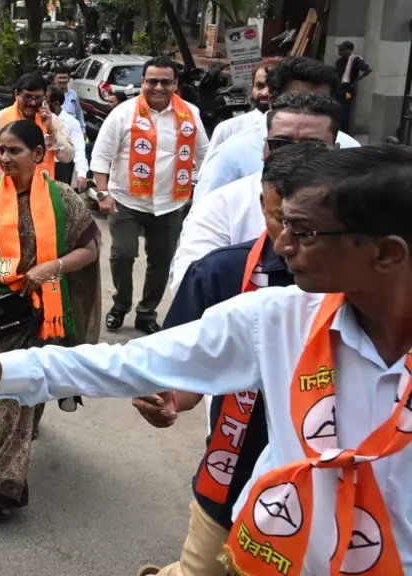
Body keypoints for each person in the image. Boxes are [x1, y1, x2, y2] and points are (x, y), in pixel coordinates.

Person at [0, 144, 412, 576]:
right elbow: (128, 364)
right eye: (283, 224)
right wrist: (5, 371)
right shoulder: (276, 321)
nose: (282, 245)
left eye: (303, 232)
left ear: (386, 253)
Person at [131, 142, 328, 576]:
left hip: (328, 487)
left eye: (311, 227)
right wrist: (168, 398)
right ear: (263, 202)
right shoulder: (223, 273)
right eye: (284, 220)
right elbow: (180, 369)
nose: (293, 241)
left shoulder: (357, 284)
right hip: (233, 467)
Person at [0, 120, 100, 517]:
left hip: (39, 314)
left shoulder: (63, 198)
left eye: (14, 150)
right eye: (1, 150)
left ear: (38, 156)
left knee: (18, 393)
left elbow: (89, 250)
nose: (4, 158)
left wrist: (50, 267)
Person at [168, 92, 343, 295]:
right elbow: (192, 286)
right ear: (264, 149)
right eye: (281, 144)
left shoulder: (358, 205)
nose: (295, 155)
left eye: (312, 146)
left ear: (336, 150)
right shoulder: (222, 205)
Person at [89, 57, 208, 334]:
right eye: (151, 81)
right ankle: (120, 305)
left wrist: (201, 191)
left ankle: (146, 313)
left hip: (170, 203)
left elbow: (205, 154)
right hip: (125, 200)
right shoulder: (123, 113)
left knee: (161, 261)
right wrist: (103, 194)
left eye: (165, 82)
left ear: (175, 84)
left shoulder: (190, 113)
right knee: (123, 254)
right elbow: (101, 155)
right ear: (142, 82)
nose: (158, 87)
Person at [194, 57, 357, 201]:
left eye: (320, 101)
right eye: (296, 100)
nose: (309, 108)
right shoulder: (233, 153)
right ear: (272, 101)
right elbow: (202, 217)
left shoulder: (352, 151)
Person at [0, 73, 76, 179]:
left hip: (42, 186)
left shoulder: (52, 120)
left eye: (37, 98)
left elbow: (67, 157)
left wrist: (51, 131)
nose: (32, 103)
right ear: (16, 94)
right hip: (6, 186)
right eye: (27, 97)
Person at [205, 61, 274, 155]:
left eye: (273, 87)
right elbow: (210, 168)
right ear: (252, 88)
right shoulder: (227, 130)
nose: (265, 93)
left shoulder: (298, 131)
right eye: (260, 86)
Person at [47, 85, 88, 189]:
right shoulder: (37, 118)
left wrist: (81, 174)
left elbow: (79, 149)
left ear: (55, 104)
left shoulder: (72, 123)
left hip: (62, 168)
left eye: (45, 102)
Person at [335, 40, 370, 132]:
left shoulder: (355, 60)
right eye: (339, 49)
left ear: (349, 50)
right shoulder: (340, 61)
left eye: (342, 49)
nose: (339, 51)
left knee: (345, 111)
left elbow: (368, 69)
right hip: (339, 87)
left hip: (348, 89)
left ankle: (345, 131)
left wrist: (356, 81)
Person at [52, 64, 86, 134]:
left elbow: (78, 112)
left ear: (69, 79)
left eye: (65, 78)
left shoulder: (73, 94)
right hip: (56, 132)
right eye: (60, 78)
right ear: (55, 79)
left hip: (72, 131)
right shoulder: (49, 95)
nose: (63, 80)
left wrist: (83, 129)